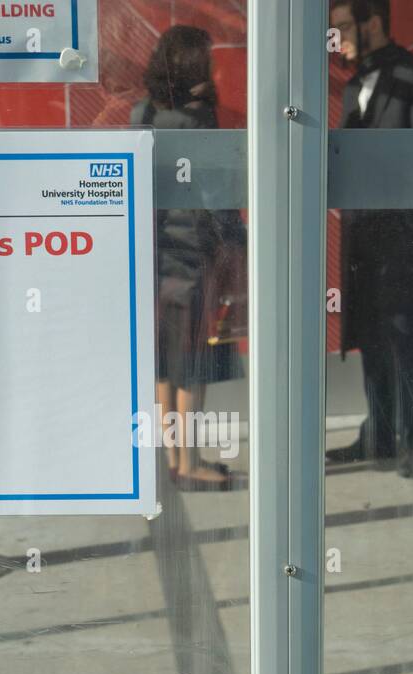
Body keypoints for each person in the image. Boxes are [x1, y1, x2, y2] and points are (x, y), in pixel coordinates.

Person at [327, 0, 413, 477]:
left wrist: (409, 227)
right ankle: (381, 437)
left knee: (403, 339)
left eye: (344, 26)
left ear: (373, 24)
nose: (338, 38)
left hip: (402, 235)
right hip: (361, 234)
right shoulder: (352, 86)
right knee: (369, 334)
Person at [132, 26, 245, 491]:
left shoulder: (144, 112)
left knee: (163, 364)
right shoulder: (199, 119)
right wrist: (236, 242)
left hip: (153, 256)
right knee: (191, 365)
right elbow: (216, 193)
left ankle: (171, 460)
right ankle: (188, 462)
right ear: (192, 65)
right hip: (192, 257)